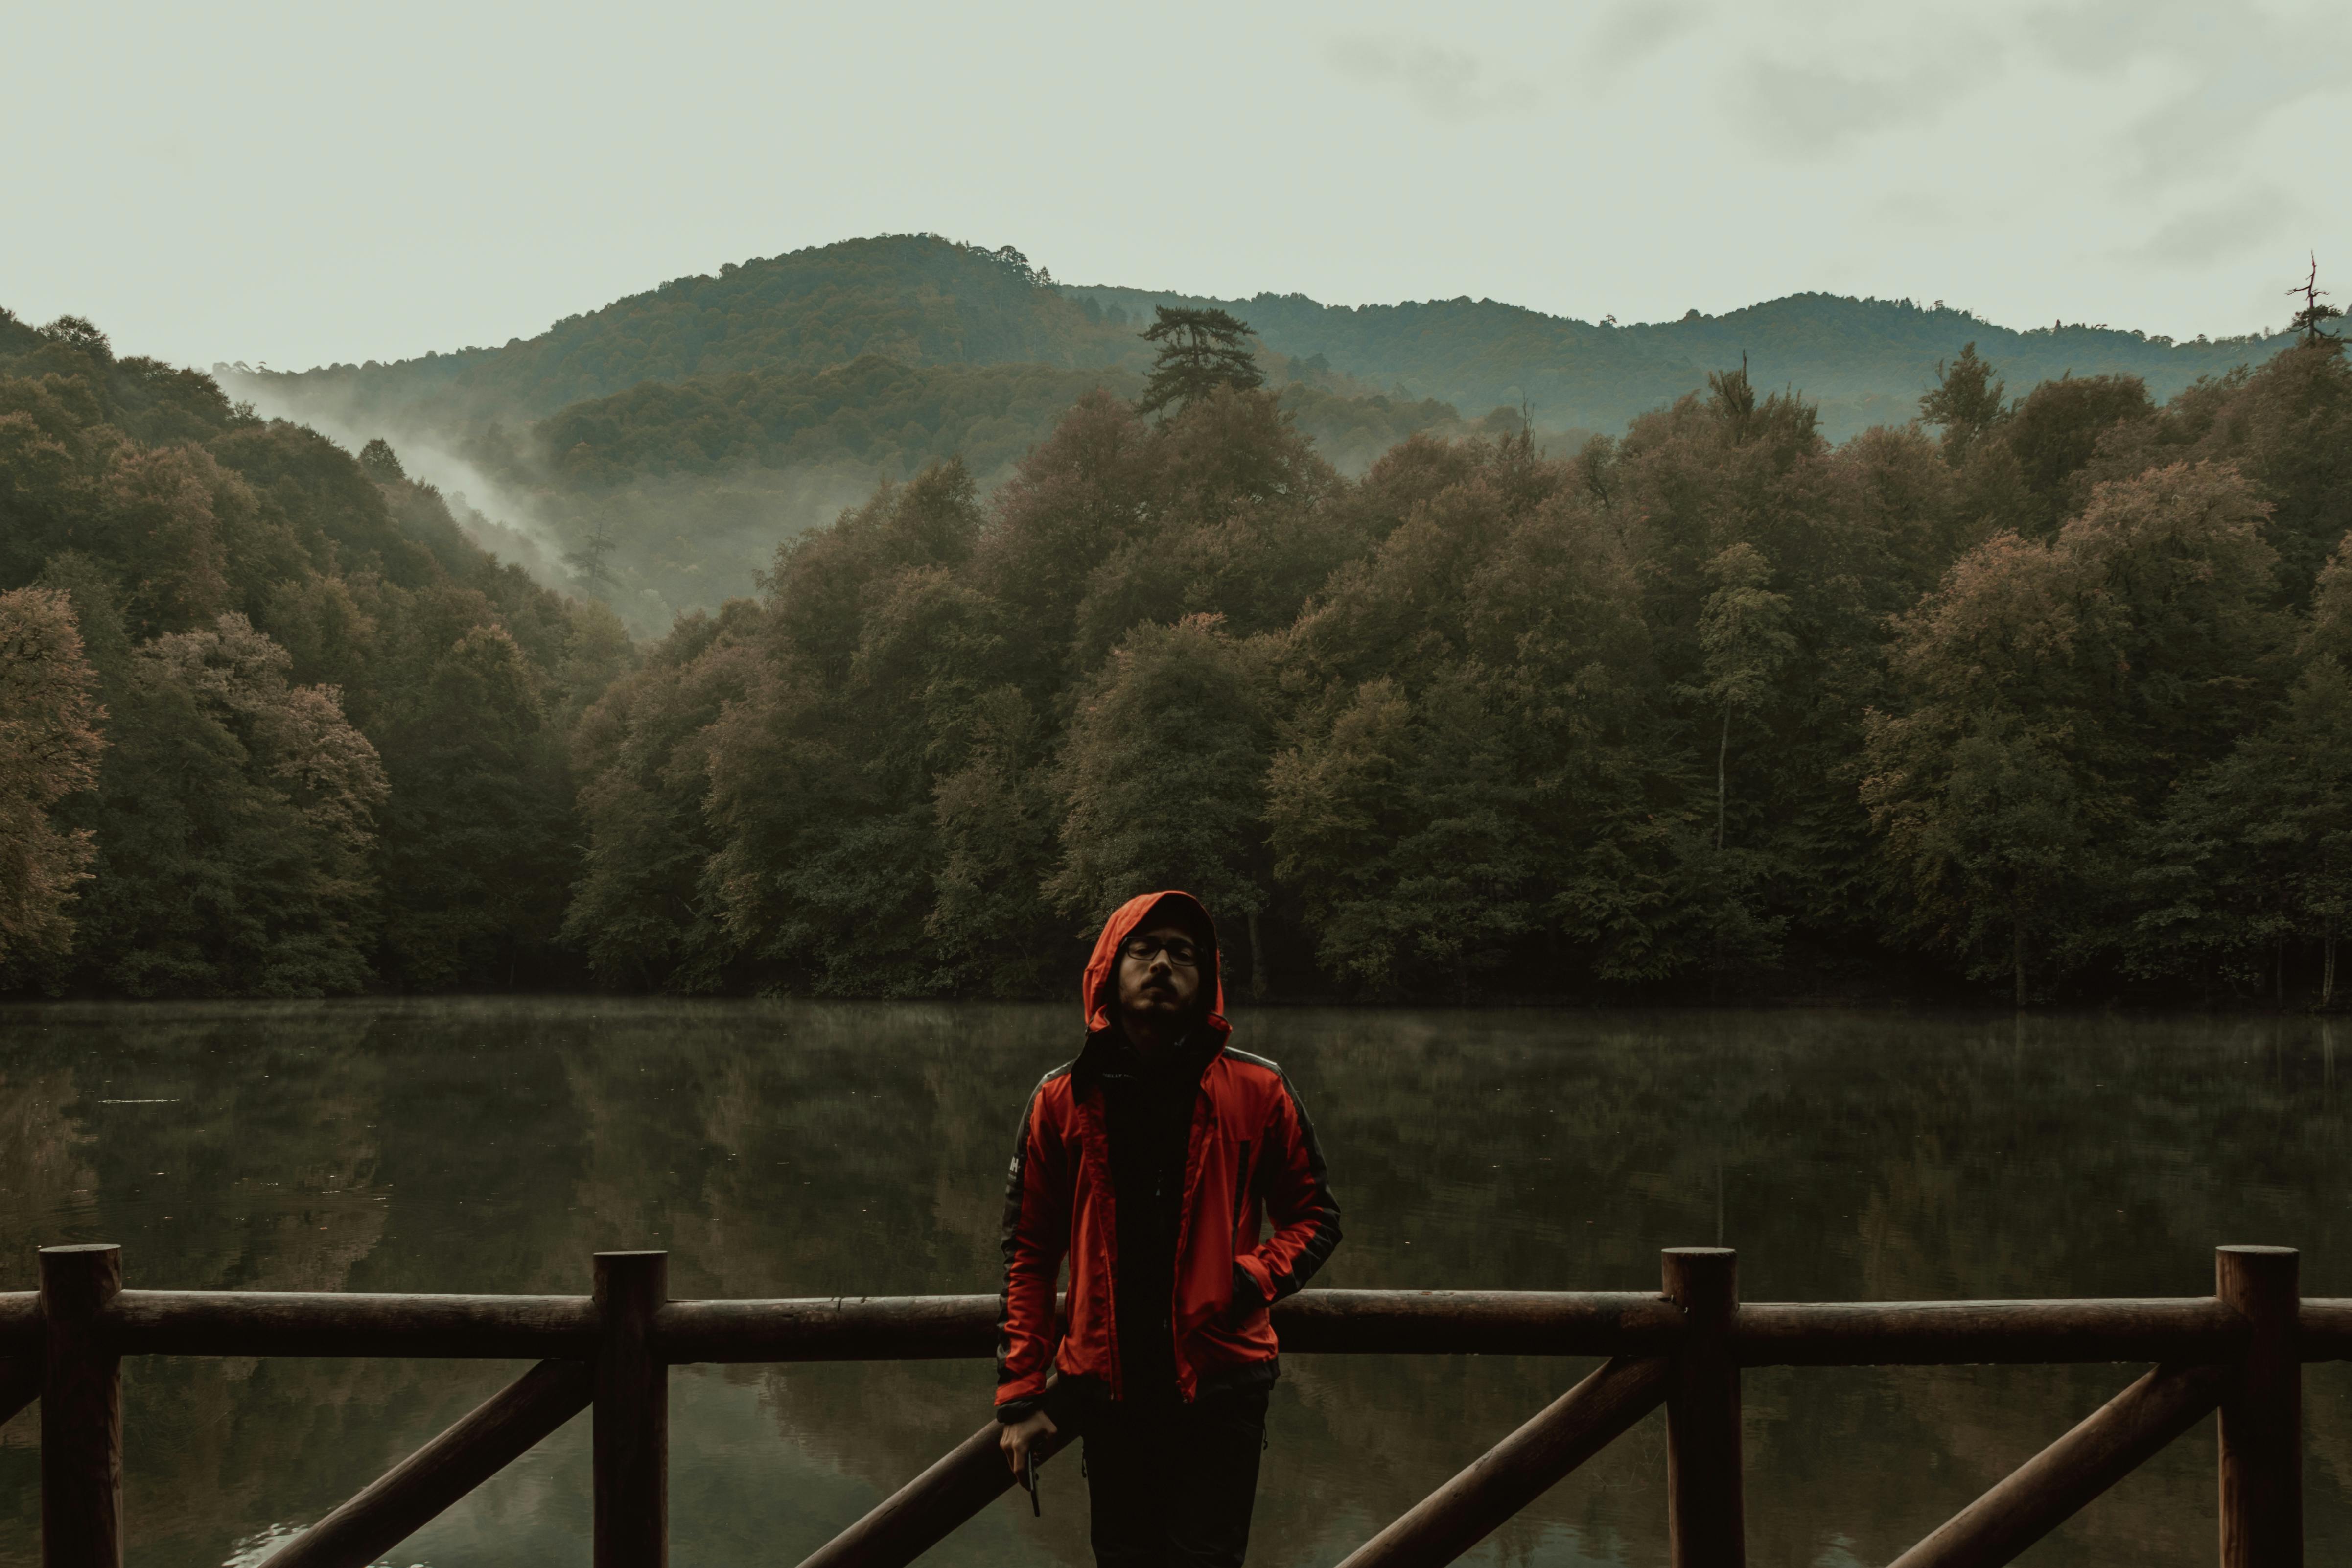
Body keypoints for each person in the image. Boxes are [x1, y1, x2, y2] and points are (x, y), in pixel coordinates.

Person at [995, 889, 1342, 1566]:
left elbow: (1315, 1217)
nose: (1160, 964)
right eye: (1143, 949)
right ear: (1107, 968)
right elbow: (1030, 1254)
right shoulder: (1061, 1098)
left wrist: (1249, 1278)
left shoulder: (1258, 1090)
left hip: (1221, 1385)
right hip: (1107, 1391)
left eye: (1181, 953)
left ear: (1205, 976)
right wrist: (1018, 1396)